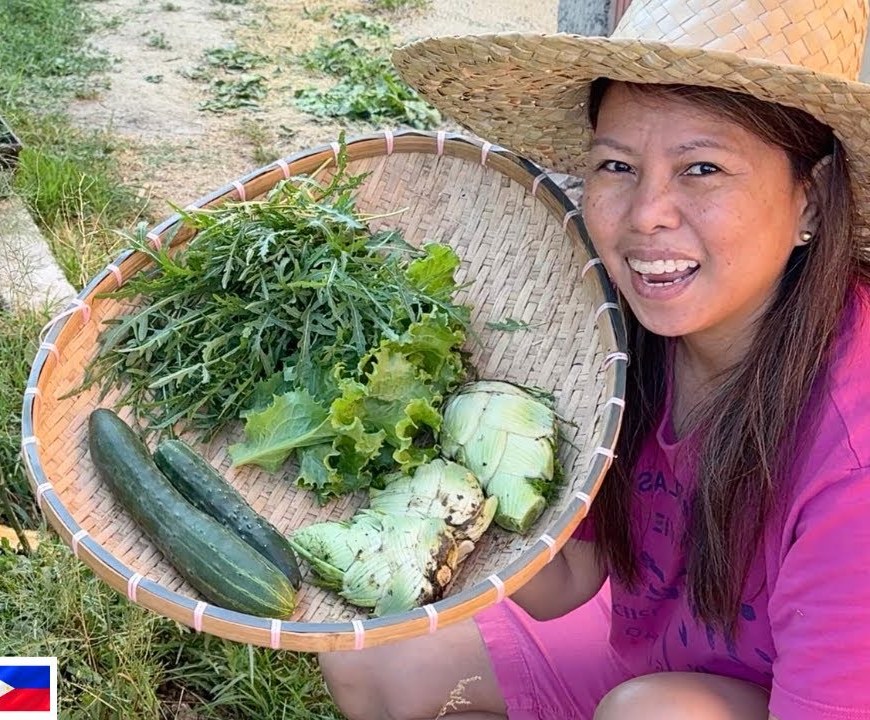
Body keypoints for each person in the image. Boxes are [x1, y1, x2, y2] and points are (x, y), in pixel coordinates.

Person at [316, 0, 870, 718]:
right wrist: (430, 483)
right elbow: (569, 576)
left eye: (702, 168)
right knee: (371, 656)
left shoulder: (853, 457)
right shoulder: (613, 332)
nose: (647, 214)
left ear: (813, 200)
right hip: (663, 655)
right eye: (618, 165)